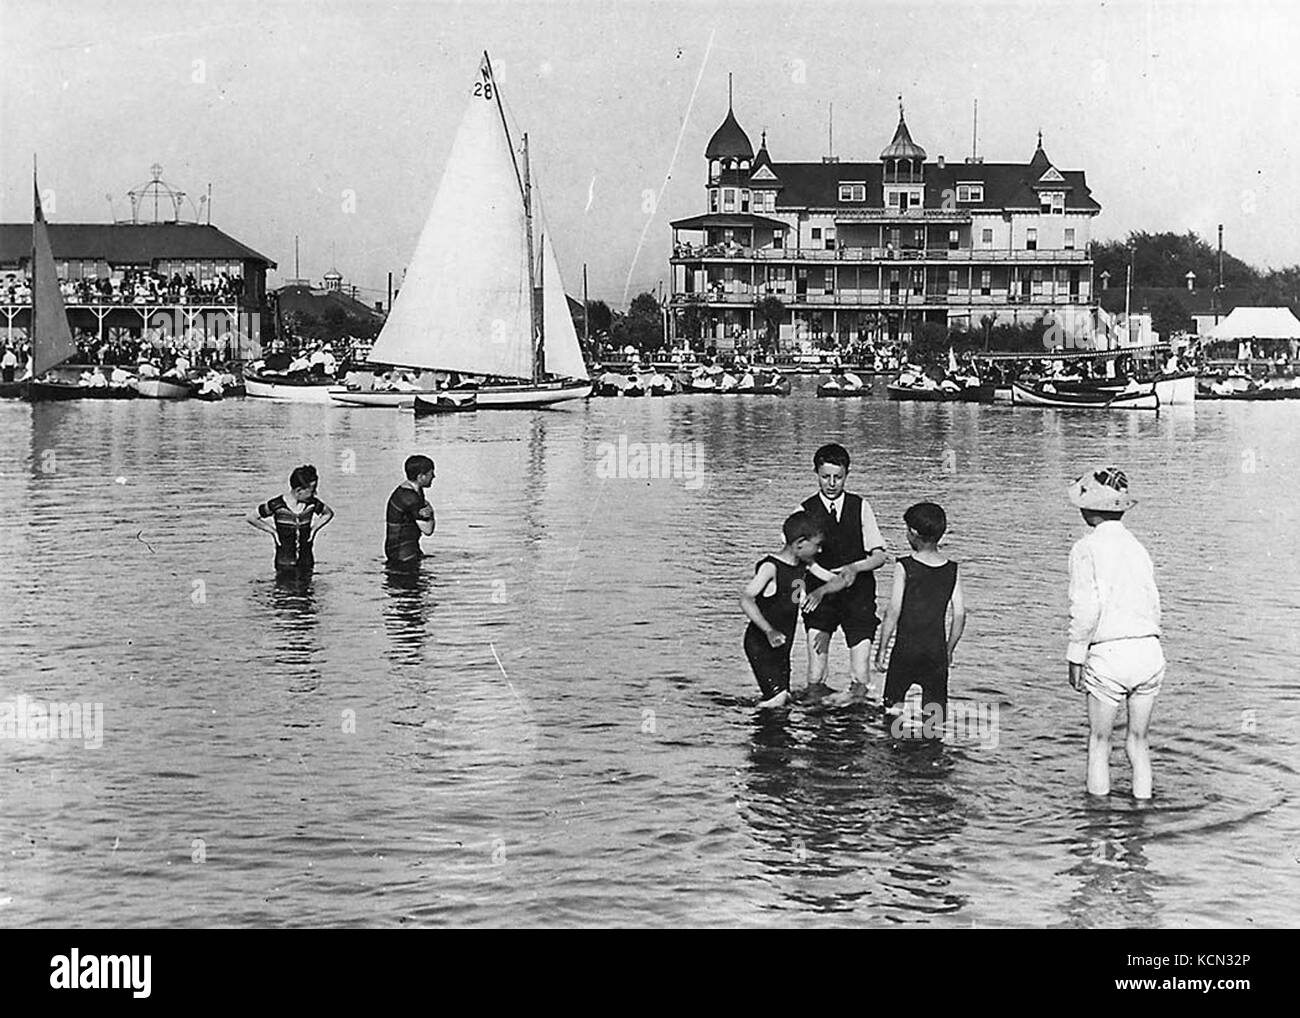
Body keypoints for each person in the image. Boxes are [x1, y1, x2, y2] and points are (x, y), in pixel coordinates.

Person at [1065, 467, 1163, 800]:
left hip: (1110, 653)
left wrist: (1076, 655)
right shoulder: (1138, 548)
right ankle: (1142, 812)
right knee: (1139, 742)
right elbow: (1153, 601)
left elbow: (1086, 607)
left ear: (1088, 509)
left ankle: (1097, 821)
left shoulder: (1085, 548)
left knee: (1099, 742)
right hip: (1149, 651)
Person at [798, 443, 887, 705]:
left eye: (838, 477)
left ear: (847, 474)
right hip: (820, 599)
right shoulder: (803, 511)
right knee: (816, 675)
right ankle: (817, 719)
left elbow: (880, 556)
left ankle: (856, 721)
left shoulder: (861, 507)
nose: (832, 483)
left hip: (858, 597)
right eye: (825, 476)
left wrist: (854, 568)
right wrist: (826, 577)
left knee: (860, 676)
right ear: (816, 474)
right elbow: (797, 557)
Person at [739, 511, 852, 709]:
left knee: (782, 698)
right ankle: (741, 720)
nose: (819, 550)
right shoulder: (770, 567)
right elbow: (746, 599)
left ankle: (762, 720)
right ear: (800, 543)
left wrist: (821, 591)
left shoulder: (805, 565)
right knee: (778, 698)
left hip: (783, 643)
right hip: (761, 641)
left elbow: (840, 581)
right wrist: (769, 631)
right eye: (817, 545)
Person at [874, 502, 966, 721]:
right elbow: (960, 615)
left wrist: (881, 649)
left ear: (913, 533)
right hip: (935, 653)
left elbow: (893, 611)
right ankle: (931, 742)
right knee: (934, 717)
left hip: (905, 650)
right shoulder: (952, 569)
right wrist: (949, 649)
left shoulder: (904, 566)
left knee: (892, 710)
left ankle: (892, 740)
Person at [247, 464, 334, 575]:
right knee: (284, 585)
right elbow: (251, 517)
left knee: (307, 584)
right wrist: (273, 532)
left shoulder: (312, 504)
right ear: (299, 491)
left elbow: (328, 513)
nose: (315, 493)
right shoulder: (277, 505)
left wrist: (314, 529)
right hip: (284, 563)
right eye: (312, 490)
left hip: (306, 563)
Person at [385, 454, 436, 568]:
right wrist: (431, 512)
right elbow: (428, 530)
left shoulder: (408, 491)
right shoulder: (411, 498)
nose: (434, 476)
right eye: (431, 473)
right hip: (404, 553)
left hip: (402, 549)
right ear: (421, 476)